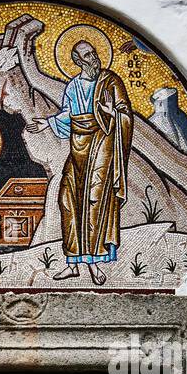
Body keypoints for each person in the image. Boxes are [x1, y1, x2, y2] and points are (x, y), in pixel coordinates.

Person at [27, 40, 133, 286]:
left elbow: (125, 114)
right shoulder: (73, 86)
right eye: (87, 54)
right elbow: (68, 113)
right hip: (79, 145)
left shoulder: (110, 81)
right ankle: (73, 263)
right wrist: (48, 123)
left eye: (94, 52)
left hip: (103, 142)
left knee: (95, 201)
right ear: (77, 60)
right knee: (68, 200)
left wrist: (111, 113)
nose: (93, 57)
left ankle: (94, 263)